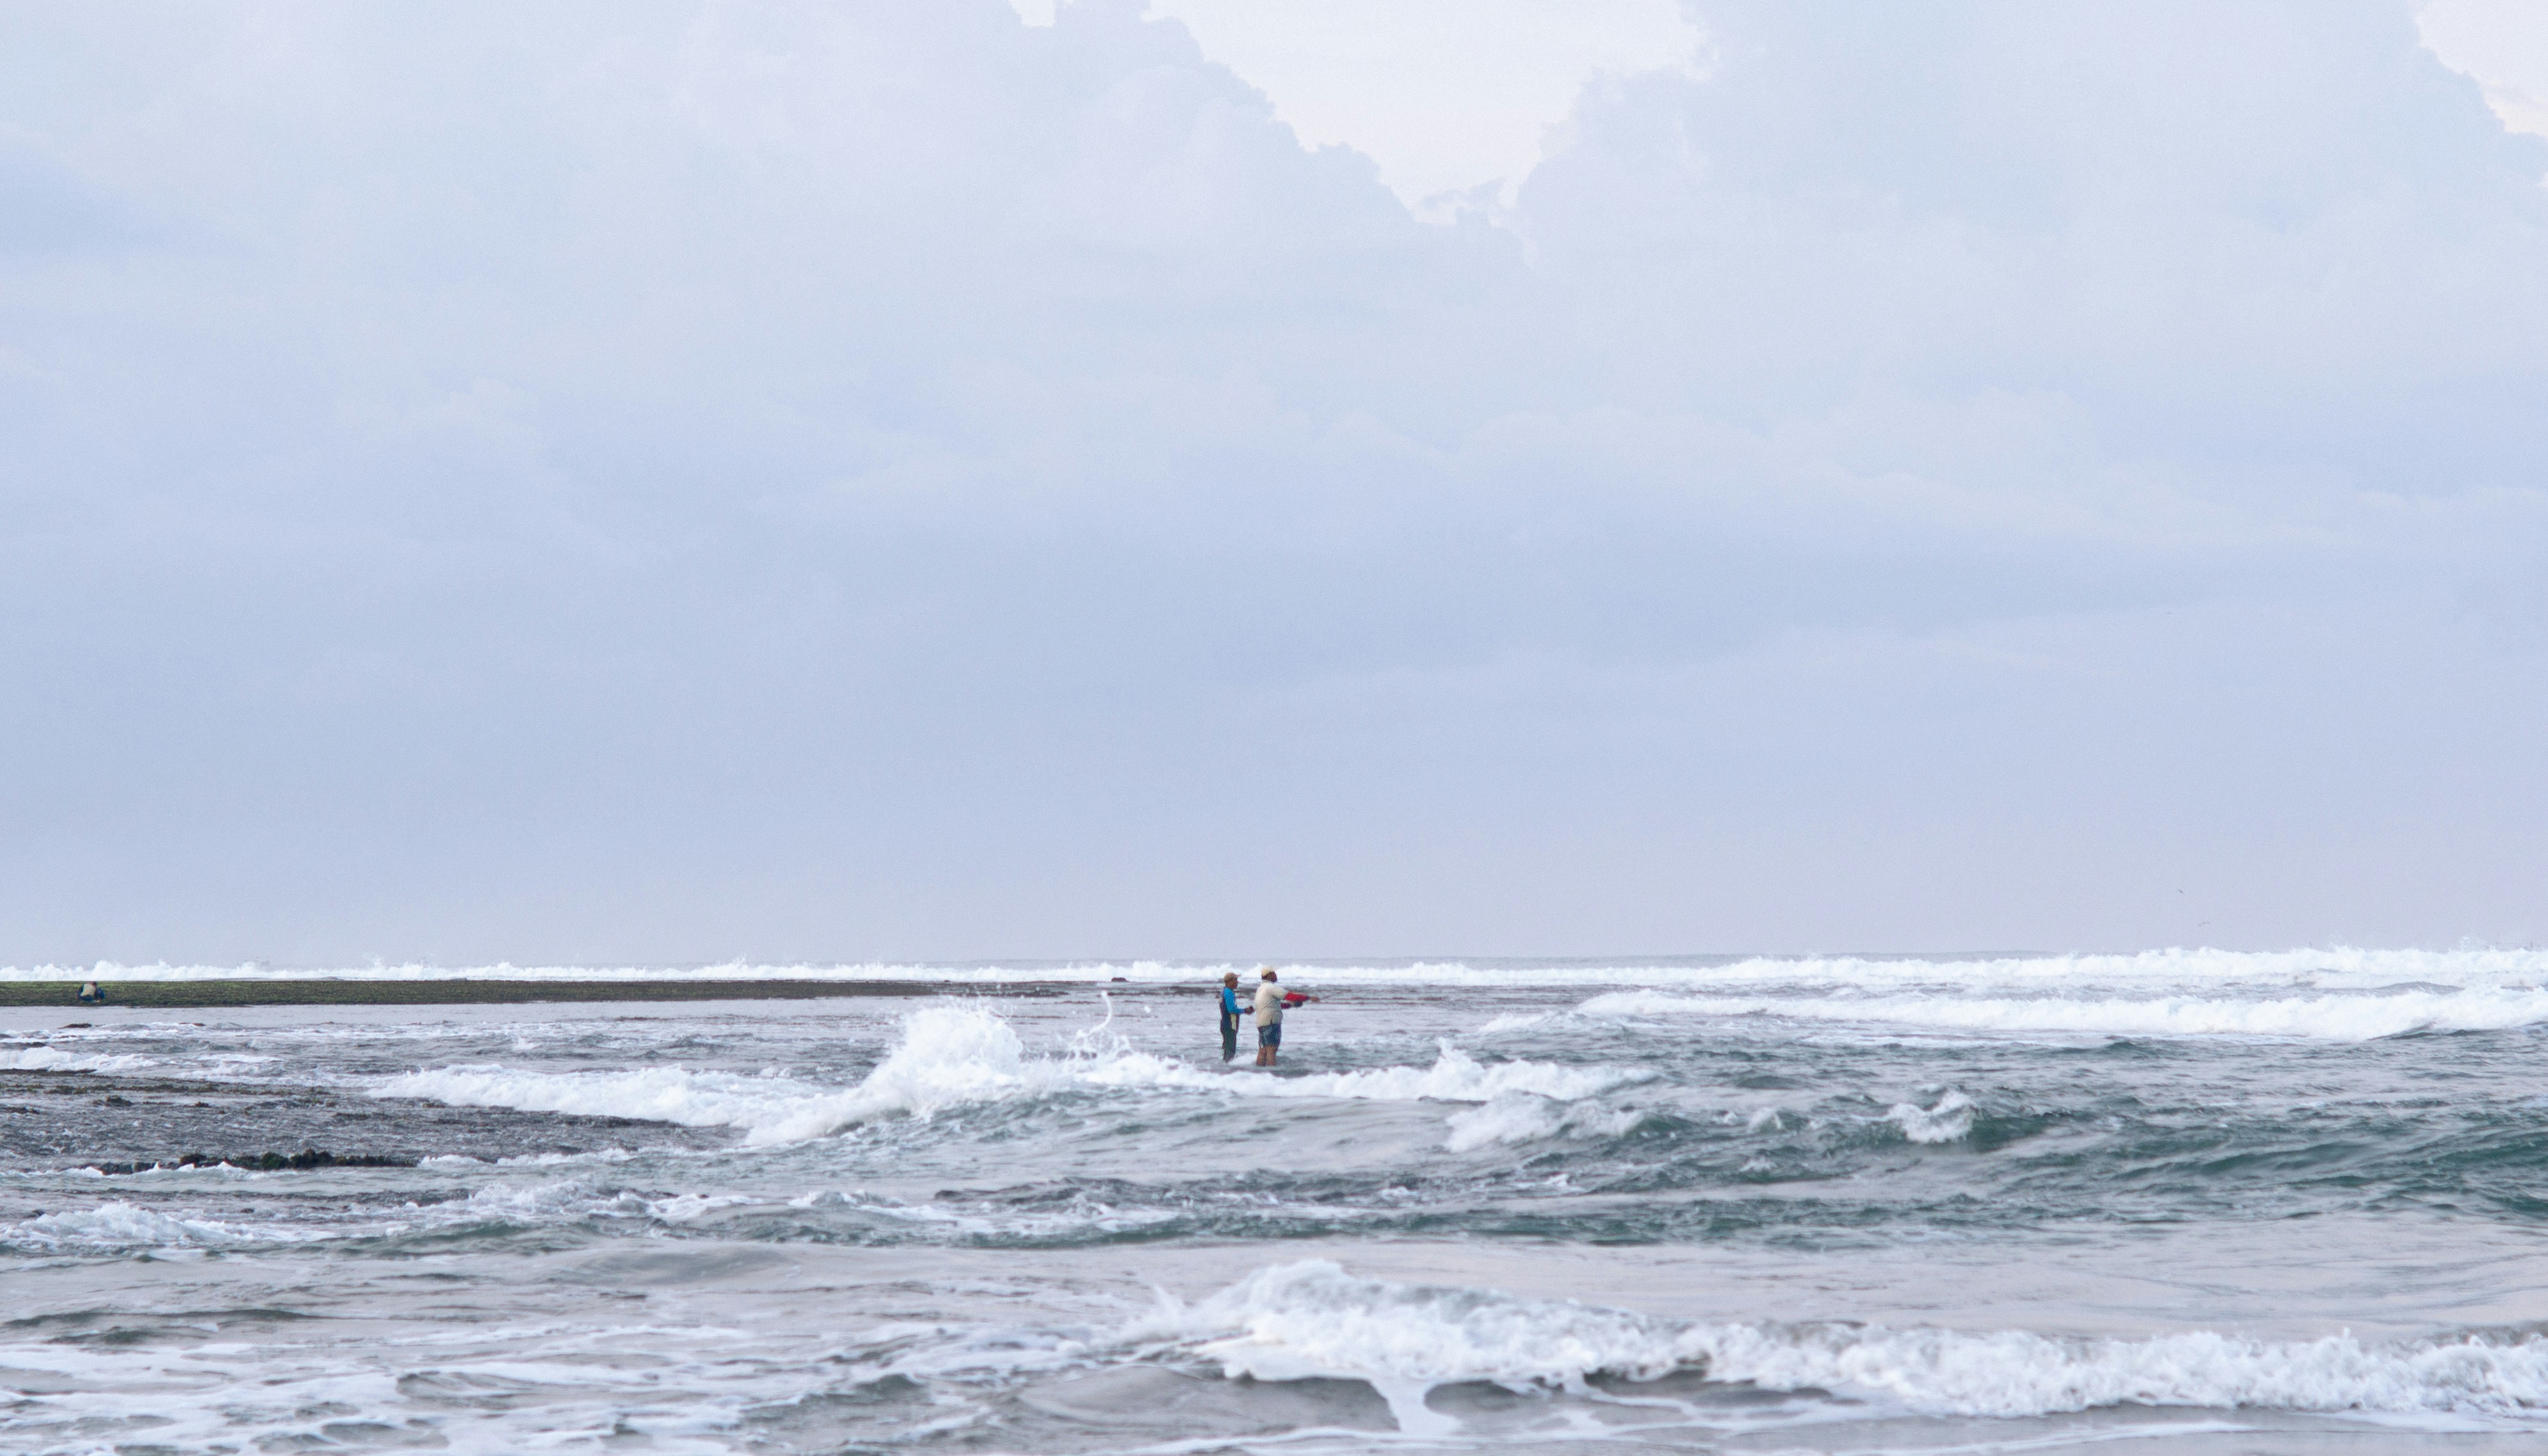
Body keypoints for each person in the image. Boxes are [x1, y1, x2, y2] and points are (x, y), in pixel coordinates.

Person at [1252, 966, 1318, 1066]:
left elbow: (1273, 1005)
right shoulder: (1271, 988)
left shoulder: (1261, 989)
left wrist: (1291, 1005)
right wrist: (1309, 998)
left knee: (1263, 1050)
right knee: (1272, 1050)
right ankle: (1271, 1075)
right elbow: (1290, 996)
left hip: (1262, 1023)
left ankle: (1259, 1073)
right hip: (1271, 1022)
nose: (1276, 975)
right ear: (1269, 975)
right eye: (1274, 973)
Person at [1216, 972, 1245, 1062]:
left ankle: (1225, 1069)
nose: (1237, 982)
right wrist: (1244, 1010)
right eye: (1235, 980)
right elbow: (1232, 1009)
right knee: (1231, 1051)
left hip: (1225, 1024)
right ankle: (1228, 1070)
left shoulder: (1224, 991)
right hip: (1230, 1025)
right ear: (1229, 981)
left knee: (1227, 1050)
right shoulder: (1229, 993)